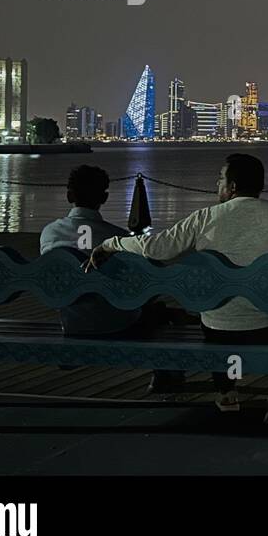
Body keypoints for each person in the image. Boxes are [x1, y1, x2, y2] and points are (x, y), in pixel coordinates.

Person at [85, 153, 268, 411]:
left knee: (215, 313)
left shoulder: (204, 218)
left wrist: (111, 244)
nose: (217, 185)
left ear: (233, 187)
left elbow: (156, 248)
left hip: (220, 332)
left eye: (220, 179)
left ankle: (226, 392)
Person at [41, 165, 181, 389]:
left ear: (69, 195)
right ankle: (165, 374)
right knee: (160, 313)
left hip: (73, 323)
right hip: (119, 324)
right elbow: (157, 276)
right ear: (105, 197)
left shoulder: (49, 233)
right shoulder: (118, 238)